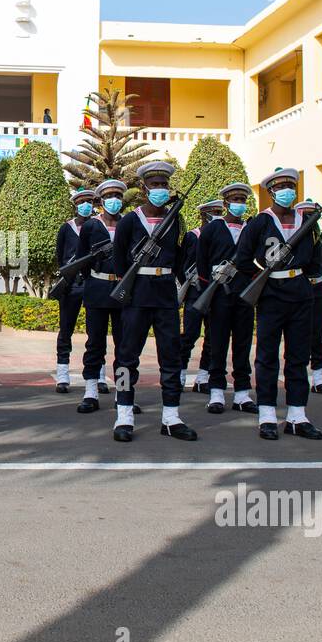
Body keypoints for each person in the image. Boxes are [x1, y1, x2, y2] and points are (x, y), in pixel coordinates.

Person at [231, 169, 322, 440]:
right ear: (270, 191)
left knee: (297, 356)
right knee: (267, 357)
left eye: (291, 185)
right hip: (270, 294)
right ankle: (268, 414)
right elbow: (243, 258)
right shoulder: (259, 223)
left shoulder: (307, 221)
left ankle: (297, 415)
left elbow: (315, 261)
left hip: (300, 293)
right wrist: (263, 273)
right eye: (281, 186)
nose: (287, 190)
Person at [111, 161, 195, 443]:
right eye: (155, 184)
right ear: (144, 187)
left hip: (164, 294)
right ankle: (123, 413)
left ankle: (171, 416)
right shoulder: (129, 221)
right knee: (126, 357)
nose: (160, 189)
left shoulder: (176, 220)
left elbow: (182, 254)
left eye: (164, 184)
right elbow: (119, 258)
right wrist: (128, 285)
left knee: (170, 356)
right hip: (137, 293)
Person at [196, 182, 256, 415]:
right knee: (217, 345)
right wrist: (207, 291)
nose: (239, 204)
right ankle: (216, 392)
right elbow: (201, 264)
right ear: (225, 203)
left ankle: (242, 393)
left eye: (242, 200)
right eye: (235, 200)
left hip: (243, 294)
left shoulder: (250, 229)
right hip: (218, 294)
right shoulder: (212, 229)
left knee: (242, 344)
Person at [76, 179, 127, 413]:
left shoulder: (129, 224)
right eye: (109, 196)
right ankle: (91, 391)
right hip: (97, 289)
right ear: (101, 200)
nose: (114, 200)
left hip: (123, 292)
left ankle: (124, 393)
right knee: (95, 343)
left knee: (125, 346)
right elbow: (81, 260)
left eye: (118, 195)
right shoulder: (90, 227)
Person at [54, 188, 95, 392]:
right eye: (82, 201)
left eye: (89, 201)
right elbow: (60, 257)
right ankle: (62, 374)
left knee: (95, 331)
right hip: (71, 285)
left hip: (93, 284)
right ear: (75, 204)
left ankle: (98, 376)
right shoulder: (66, 228)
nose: (86, 205)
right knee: (66, 329)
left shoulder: (97, 226)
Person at [179, 200, 221, 394]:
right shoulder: (192, 237)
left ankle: (203, 377)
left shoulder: (222, 235)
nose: (218, 215)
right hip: (196, 292)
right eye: (214, 212)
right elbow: (181, 264)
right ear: (203, 215)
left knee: (213, 337)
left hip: (216, 291)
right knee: (189, 334)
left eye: (220, 211)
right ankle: (179, 372)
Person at [298, 198, 322, 395]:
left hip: (318, 286)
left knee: (317, 333)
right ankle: (299, 374)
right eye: (306, 215)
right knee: (299, 333)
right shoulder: (297, 238)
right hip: (301, 286)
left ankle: (318, 377)